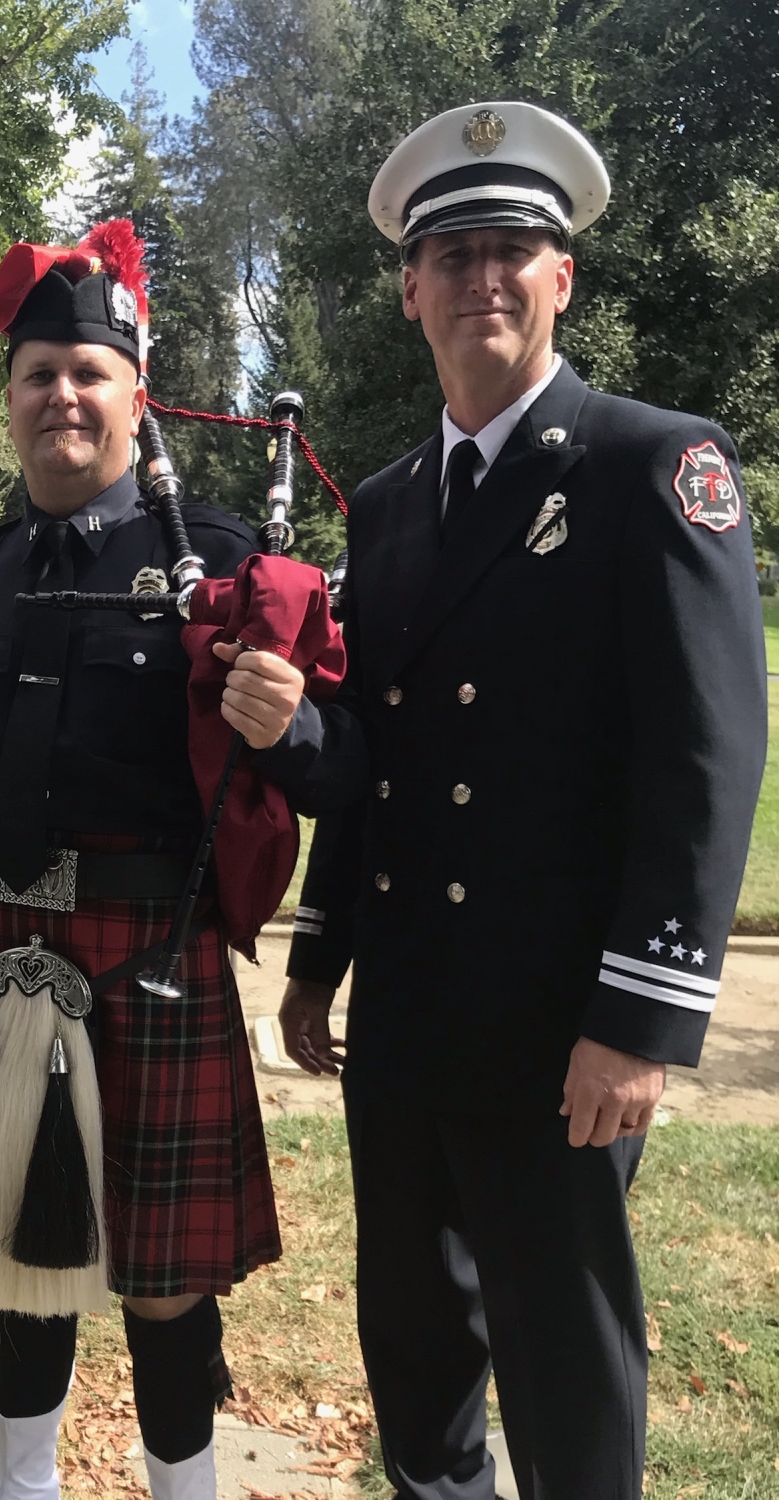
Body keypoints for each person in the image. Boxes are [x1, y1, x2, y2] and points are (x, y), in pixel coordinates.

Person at [279, 102, 767, 1499]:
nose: (481, 280)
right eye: (453, 254)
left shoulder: (650, 465)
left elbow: (705, 755)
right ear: (410, 288)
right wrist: (322, 955)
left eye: (514, 250)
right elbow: (383, 744)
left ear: (563, 279)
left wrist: (639, 1021)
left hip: (562, 1030)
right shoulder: (388, 506)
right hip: (413, 1013)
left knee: (563, 1360)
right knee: (416, 1350)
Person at [0, 220, 364, 1500]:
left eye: (90, 372)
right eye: (39, 374)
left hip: (152, 956)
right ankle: (21, 1486)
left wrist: (292, 724)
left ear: (137, 396)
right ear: (11, 402)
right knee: (19, 1271)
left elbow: (351, 773)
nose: (62, 396)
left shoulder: (226, 572)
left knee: (164, 1285)